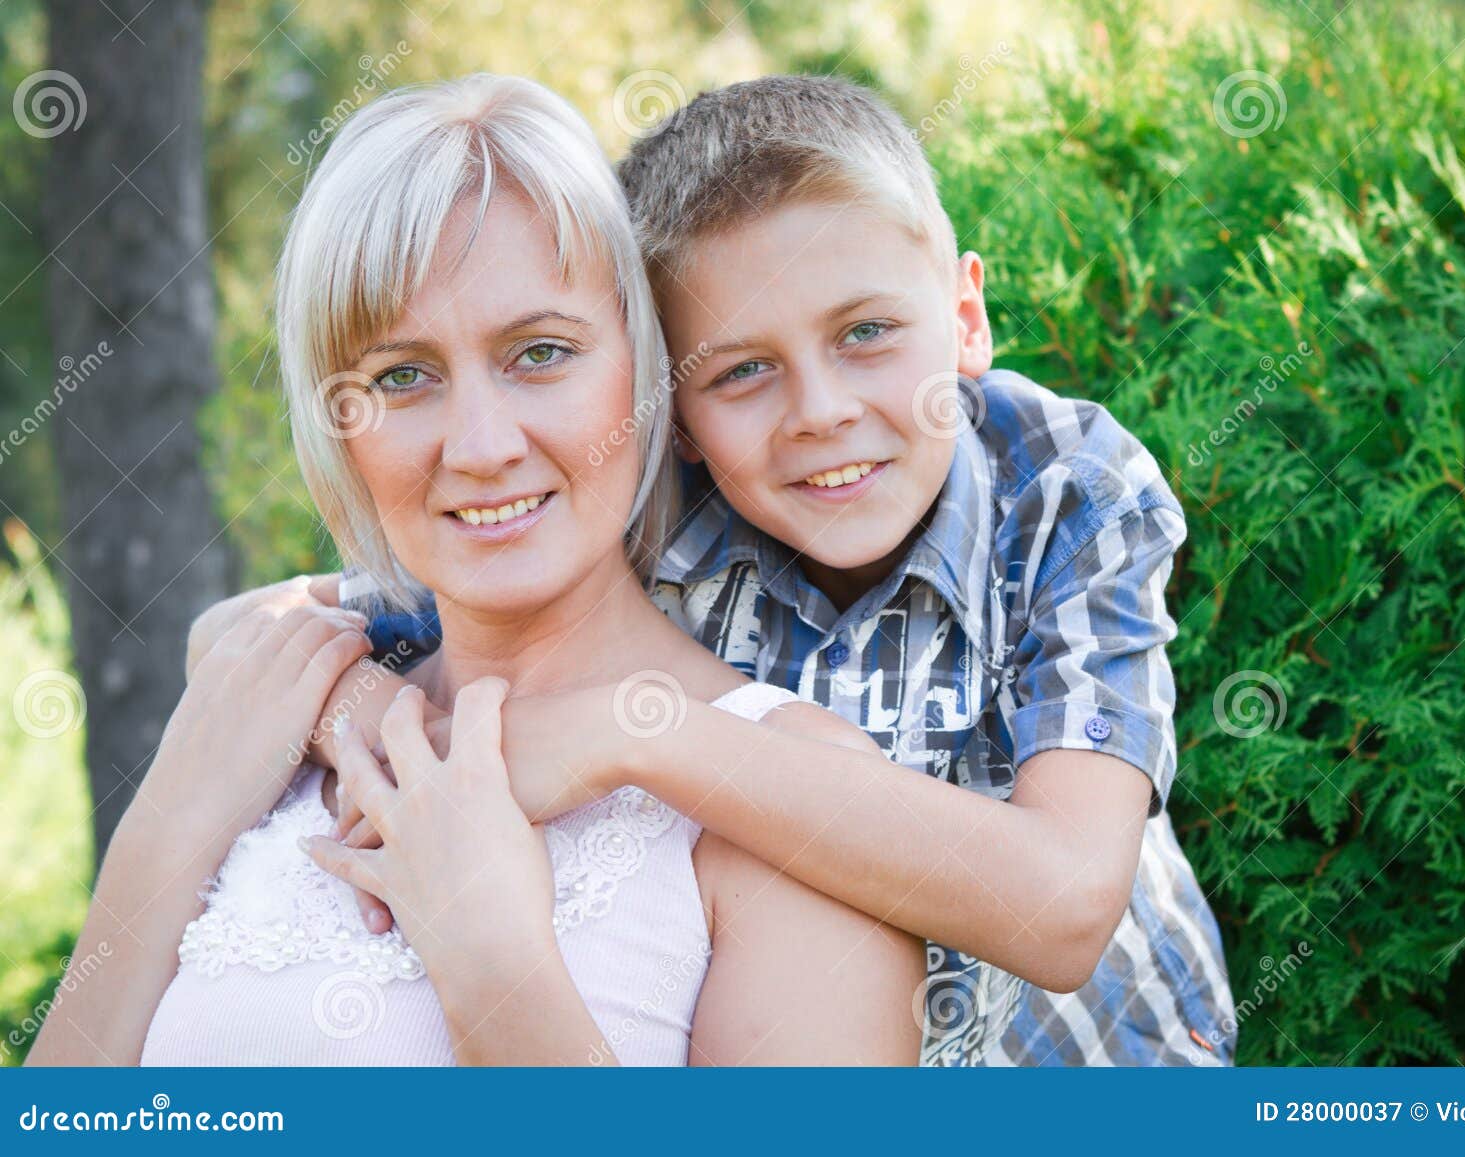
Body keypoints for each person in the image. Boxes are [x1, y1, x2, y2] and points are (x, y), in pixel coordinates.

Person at [194, 74, 1236, 1067]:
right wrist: (373, 726)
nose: (819, 409)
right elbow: (236, 633)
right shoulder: (644, 503)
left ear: (964, 318)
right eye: (742, 370)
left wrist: (627, 733)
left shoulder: (1059, 486)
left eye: (867, 331)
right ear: (671, 411)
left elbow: (1059, 909)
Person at [26, 74, 923, 1068]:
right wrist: (168, 829)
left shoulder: (801, 807)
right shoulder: (280, 719)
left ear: (646, 365)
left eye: (539, 352)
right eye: (401, 375)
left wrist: (493, 962)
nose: (481, 443)